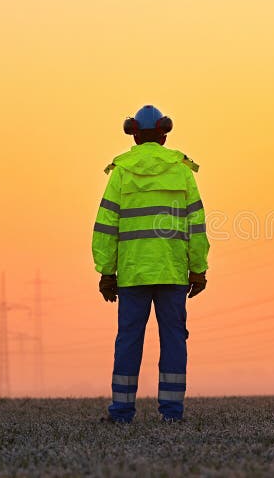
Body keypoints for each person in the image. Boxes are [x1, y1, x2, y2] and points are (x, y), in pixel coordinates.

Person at [92, 104, 209, 423]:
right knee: (173, 338)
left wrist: (106, 272)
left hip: (132, 273)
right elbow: (196, 224)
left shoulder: (122, 171)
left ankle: (121, 413)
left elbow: (106, 225)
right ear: (164, 135)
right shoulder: (182, 170)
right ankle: (172, 413)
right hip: (172, 271)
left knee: (128, 340)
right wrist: (198, 268)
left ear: (133, 136)